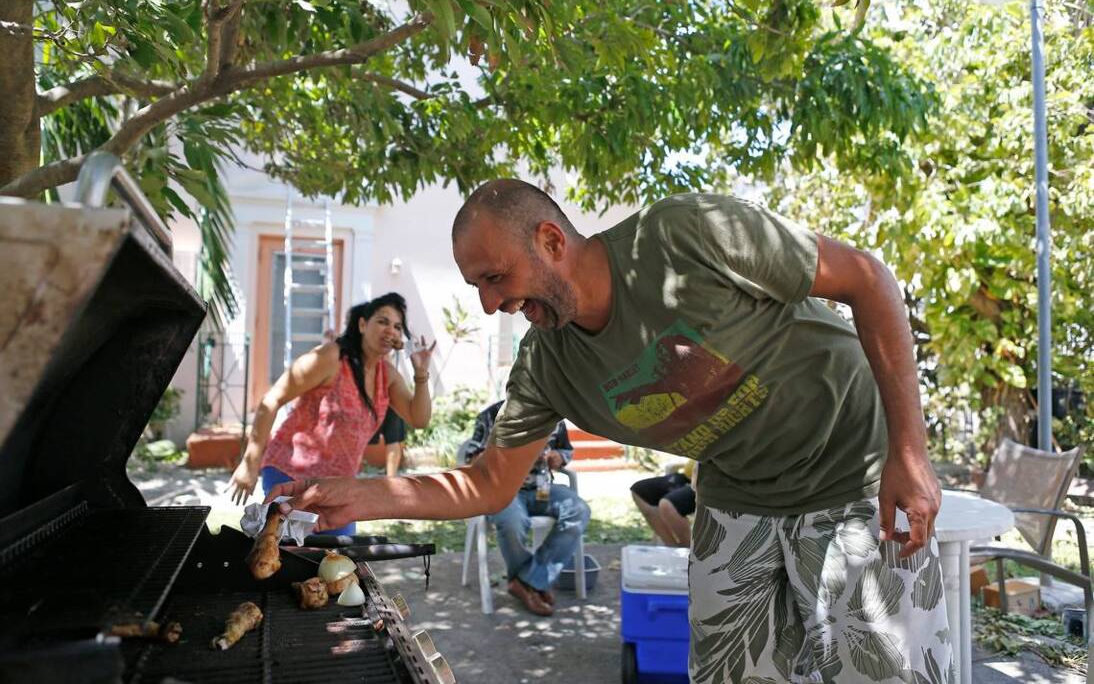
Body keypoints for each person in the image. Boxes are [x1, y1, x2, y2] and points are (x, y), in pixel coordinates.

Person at [268, 181, 950, 682]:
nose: (491, 303)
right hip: (739, 493)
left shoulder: (685, 235)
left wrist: (910, 453)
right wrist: (361, 495)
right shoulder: (547, 363)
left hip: (852, 463)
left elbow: (867, 278)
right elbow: (487, 481)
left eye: (495, 278)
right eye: (477, 286)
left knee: (877, 671)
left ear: (553, 241)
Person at [229, 292, 435, 535]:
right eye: (382, 321)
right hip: (290, 476)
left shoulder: (386, 375)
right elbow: (271, 400)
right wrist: (249, 463)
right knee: (289, 561)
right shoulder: (331, 357)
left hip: (337, 488)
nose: (390, 330)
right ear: (362, 324)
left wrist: (421, 373)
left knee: (337, 564)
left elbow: (419, 419)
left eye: (397, 326)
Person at [462, 401, 590, 617]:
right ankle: (533, 584)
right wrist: (505, 452)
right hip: (505, 490)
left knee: (579, 511)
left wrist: (558, 457)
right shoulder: (491, 416)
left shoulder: (554, 417)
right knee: (511, 521)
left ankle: (528, 580)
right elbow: (471, 459)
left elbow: (565, 450)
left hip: (542, 488)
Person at [630, 459, 696, 547]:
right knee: (639, 489)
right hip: (686, 477)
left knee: (668, 504)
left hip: (706, 481)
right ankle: (671, 547)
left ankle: (689, 549)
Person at [369, 408, 407, 477]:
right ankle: (391, 478)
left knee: (359, 434)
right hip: (393, 400)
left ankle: (350, 476)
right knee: (393, 439)